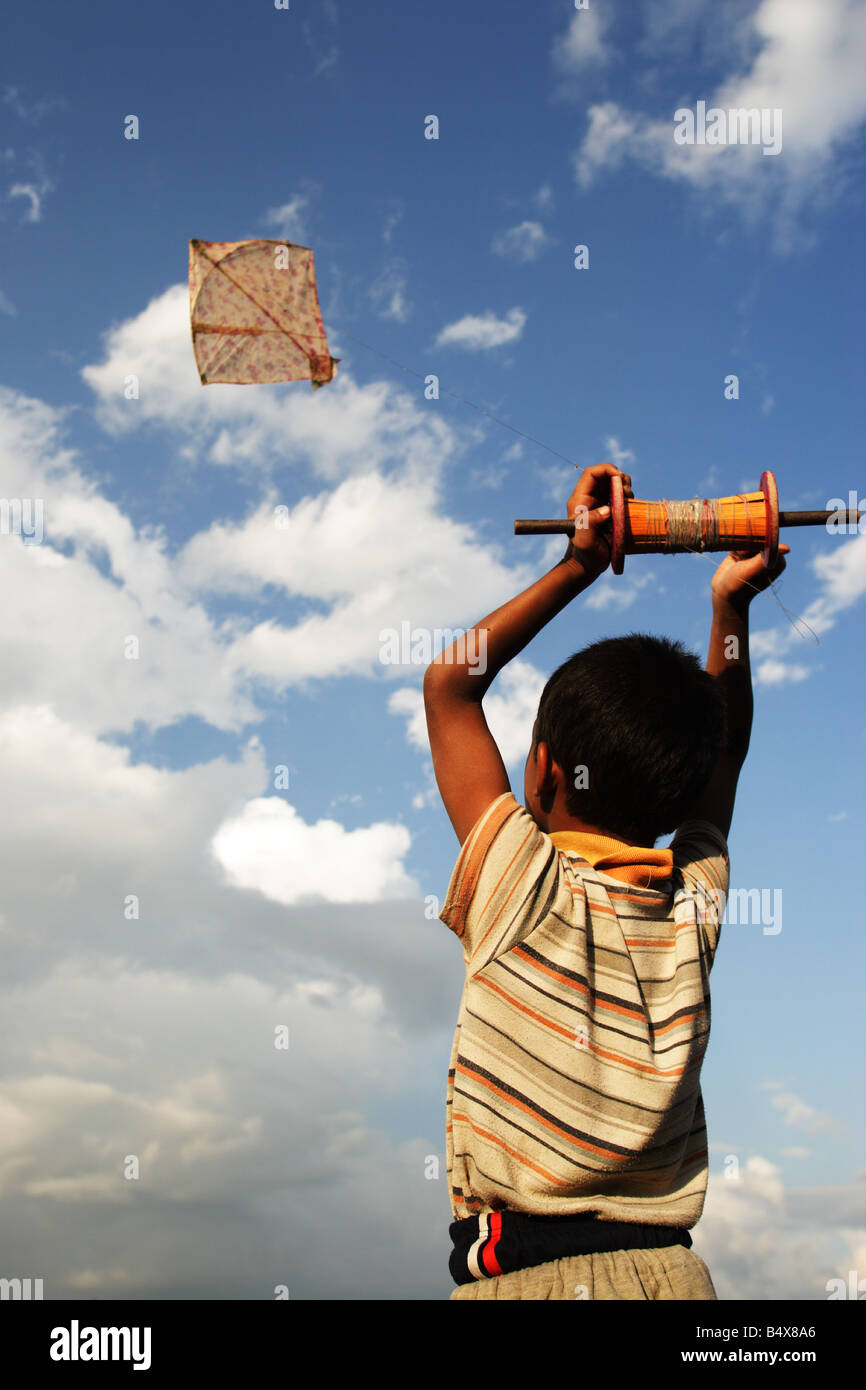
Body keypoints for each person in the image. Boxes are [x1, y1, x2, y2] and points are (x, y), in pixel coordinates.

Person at [423, 463, 789, 1301]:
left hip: (527, 1282)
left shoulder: (519, 885)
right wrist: (729, 608)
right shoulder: (688, 906)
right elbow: (723, 748)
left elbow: (450, 685)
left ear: (543, 771)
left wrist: (581, 563)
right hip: (674, 1277)